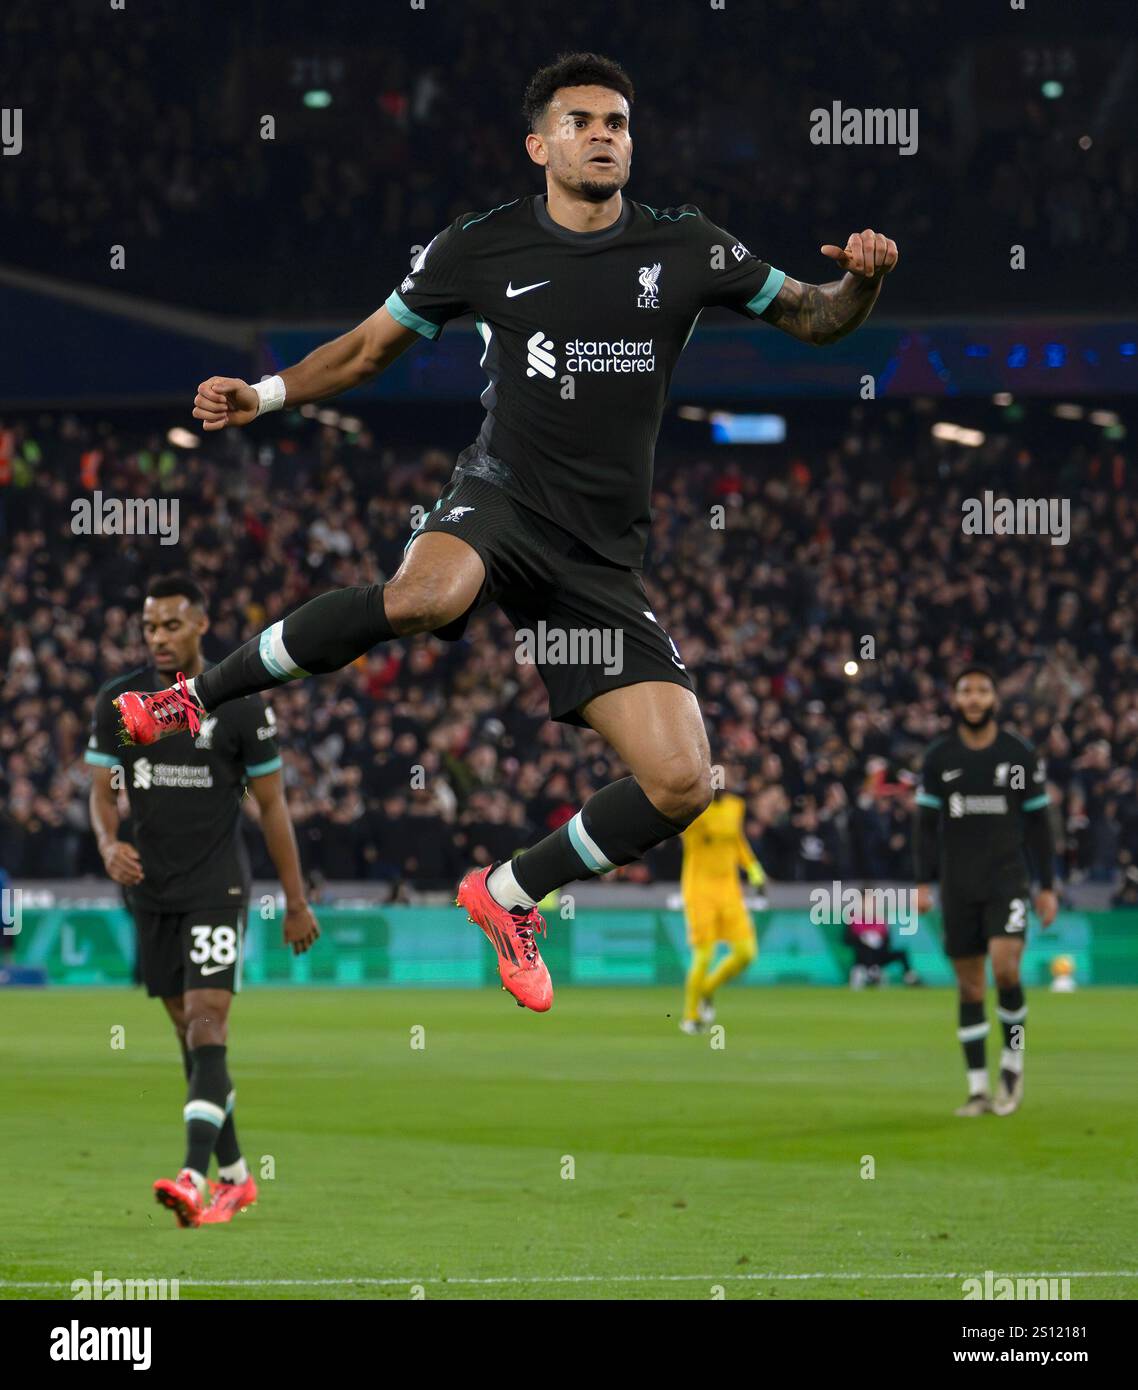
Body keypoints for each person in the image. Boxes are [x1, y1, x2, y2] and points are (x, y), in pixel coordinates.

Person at [111, 52, 898, 1015]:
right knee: (427, 595)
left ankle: (510, 893)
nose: (606, 135)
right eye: (583, 122)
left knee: (685, 781)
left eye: (618, 122)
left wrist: (862, 281)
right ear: (540, 146)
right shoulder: (478, 249)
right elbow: (366, 351)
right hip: (504, 497)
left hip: (601, 555)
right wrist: (265, 394)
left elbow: (819, 319)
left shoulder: (689, 247)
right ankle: (198, 696)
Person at [86, 574, 319, 1227]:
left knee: (208, 1022)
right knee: (194, 1044)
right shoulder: (118, 701)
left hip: (218, 885)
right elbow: (101, 791)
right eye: (149, 627)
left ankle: (193, 1177)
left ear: (201, 624)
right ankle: (238, 1178)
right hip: (151, 891)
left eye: (171, 625)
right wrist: (107, 844)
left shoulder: (241, 704)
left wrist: (295, 901)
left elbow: (273, 807)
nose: (158, 637)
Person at [914, 666, 1057, 1117]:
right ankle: (978, 1089)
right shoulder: (940, 758)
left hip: (1006, 879)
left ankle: (1012, 1063)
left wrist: (1047, 885)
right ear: (955, 700)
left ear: (994, 698)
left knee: (1005, 968)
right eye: (966, 691)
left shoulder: (1017, 755)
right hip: (958, 883)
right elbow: (923, 826)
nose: (974, 699)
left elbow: (1039, 824)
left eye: (982, 690)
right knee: (971, 986)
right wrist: (922, 880)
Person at [678, 775, 764, 1034]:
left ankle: (707, 989)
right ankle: (690, 1017)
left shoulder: (735, 807)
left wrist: (753, 868)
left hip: (729, 891)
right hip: (699, 891)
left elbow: (737, 841)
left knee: (746, 953)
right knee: (704, 956)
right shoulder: (693, 813)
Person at [842, 888, 923, 989]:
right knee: (867, 949)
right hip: (862, 958)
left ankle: (910, 977)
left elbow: (888, 942)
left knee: (901, 953)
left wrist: (879, 941)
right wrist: (862, 938)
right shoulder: (853, 919)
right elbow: (846, 940)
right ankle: (869, 974)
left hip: (880, 955)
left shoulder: (880, 919)